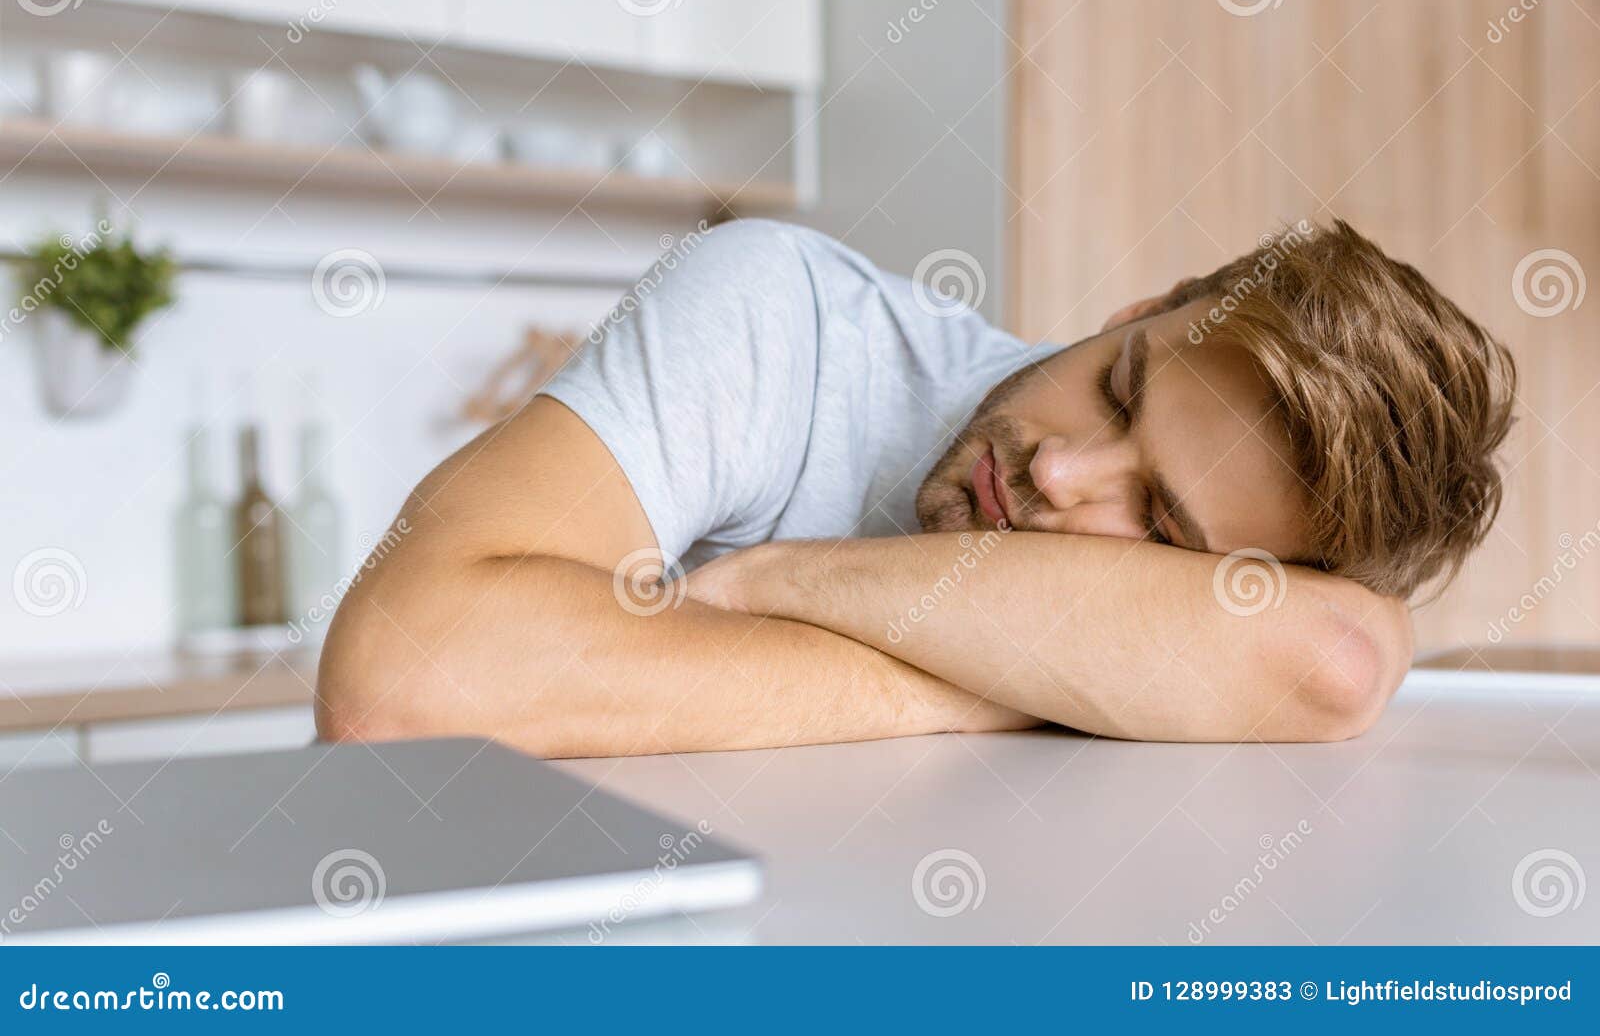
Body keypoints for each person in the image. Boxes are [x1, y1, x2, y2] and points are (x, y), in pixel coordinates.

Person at [316, 218, 1515, 756]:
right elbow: (401, 686)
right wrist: (1026, 675)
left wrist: (785, 581)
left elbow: (1339, 665)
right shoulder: (777, 315)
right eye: (1115, 387)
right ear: (1137, 313)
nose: (1058, 470)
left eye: (1154, 518)